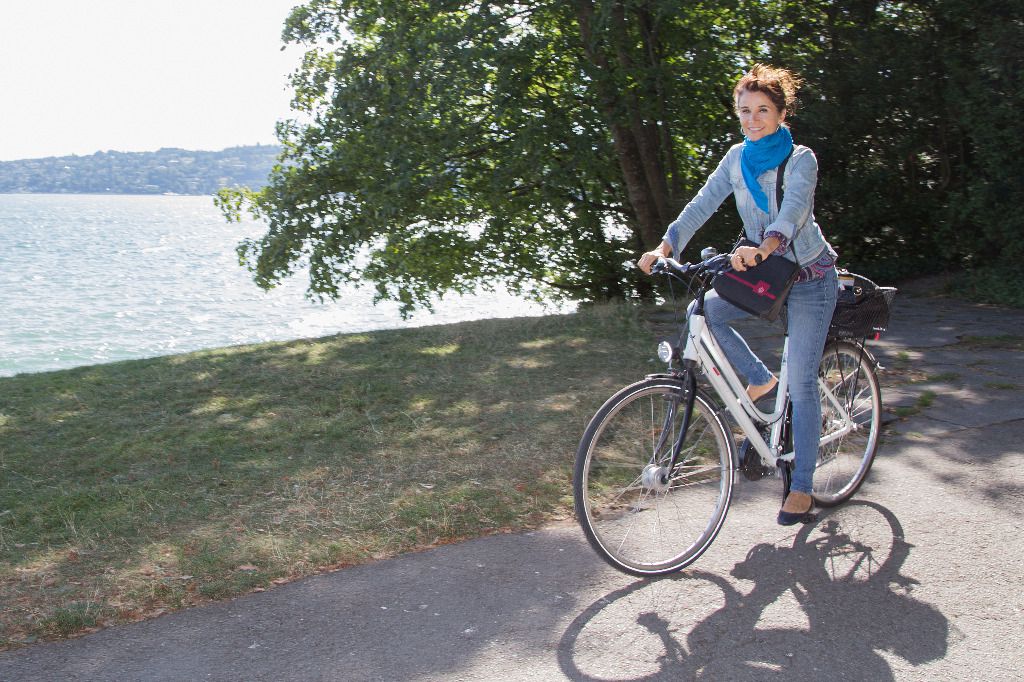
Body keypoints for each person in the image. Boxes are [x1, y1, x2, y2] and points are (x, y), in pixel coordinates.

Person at [638, 64, 838, 526]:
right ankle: (759, 377)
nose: (752, 120)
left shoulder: (799, 158)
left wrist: (767, 244)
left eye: (762, 110)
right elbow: (702, 204)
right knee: (703, 311)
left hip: (808, 276)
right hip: (763, 271)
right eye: (745, 111)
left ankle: (802, 487)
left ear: (782, 113)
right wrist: (665, 245)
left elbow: (793, 210)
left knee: (804, 381)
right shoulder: (736, 158)